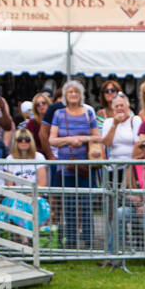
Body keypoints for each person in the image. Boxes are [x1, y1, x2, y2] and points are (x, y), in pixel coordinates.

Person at [49, 80, 101, 248]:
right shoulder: (59, 114)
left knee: (86, 204)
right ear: (65, 95)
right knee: (69, 204)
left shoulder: (88, 113)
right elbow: (52, 139)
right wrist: (69, 140)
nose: (73, 95)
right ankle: (70, 240)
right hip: (66, 166)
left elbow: (97, 137)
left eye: (76, 92)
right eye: (70, 92)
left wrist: (81, 140)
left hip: (85, 166)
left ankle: (89, 240)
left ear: (80, 95)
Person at [101, 92, 142, 161]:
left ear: (128, 107)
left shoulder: (135, 119)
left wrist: (131, 164)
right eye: (116, 106)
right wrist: (115, 124)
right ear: (113, 110)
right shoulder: (108, 122)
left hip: (131, 162)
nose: (119, 108)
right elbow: (107, 144)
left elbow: (138, 143)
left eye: (122, 105)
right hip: (114, 164)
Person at [25, 92, 55, 160]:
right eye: (37, 104)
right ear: (35, 108)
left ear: (48, 104)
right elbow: (29, 142)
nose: (41, 105)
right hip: (38, 158)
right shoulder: (32, 123)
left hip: (56, 155)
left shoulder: (56, 120)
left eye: (43, 103)